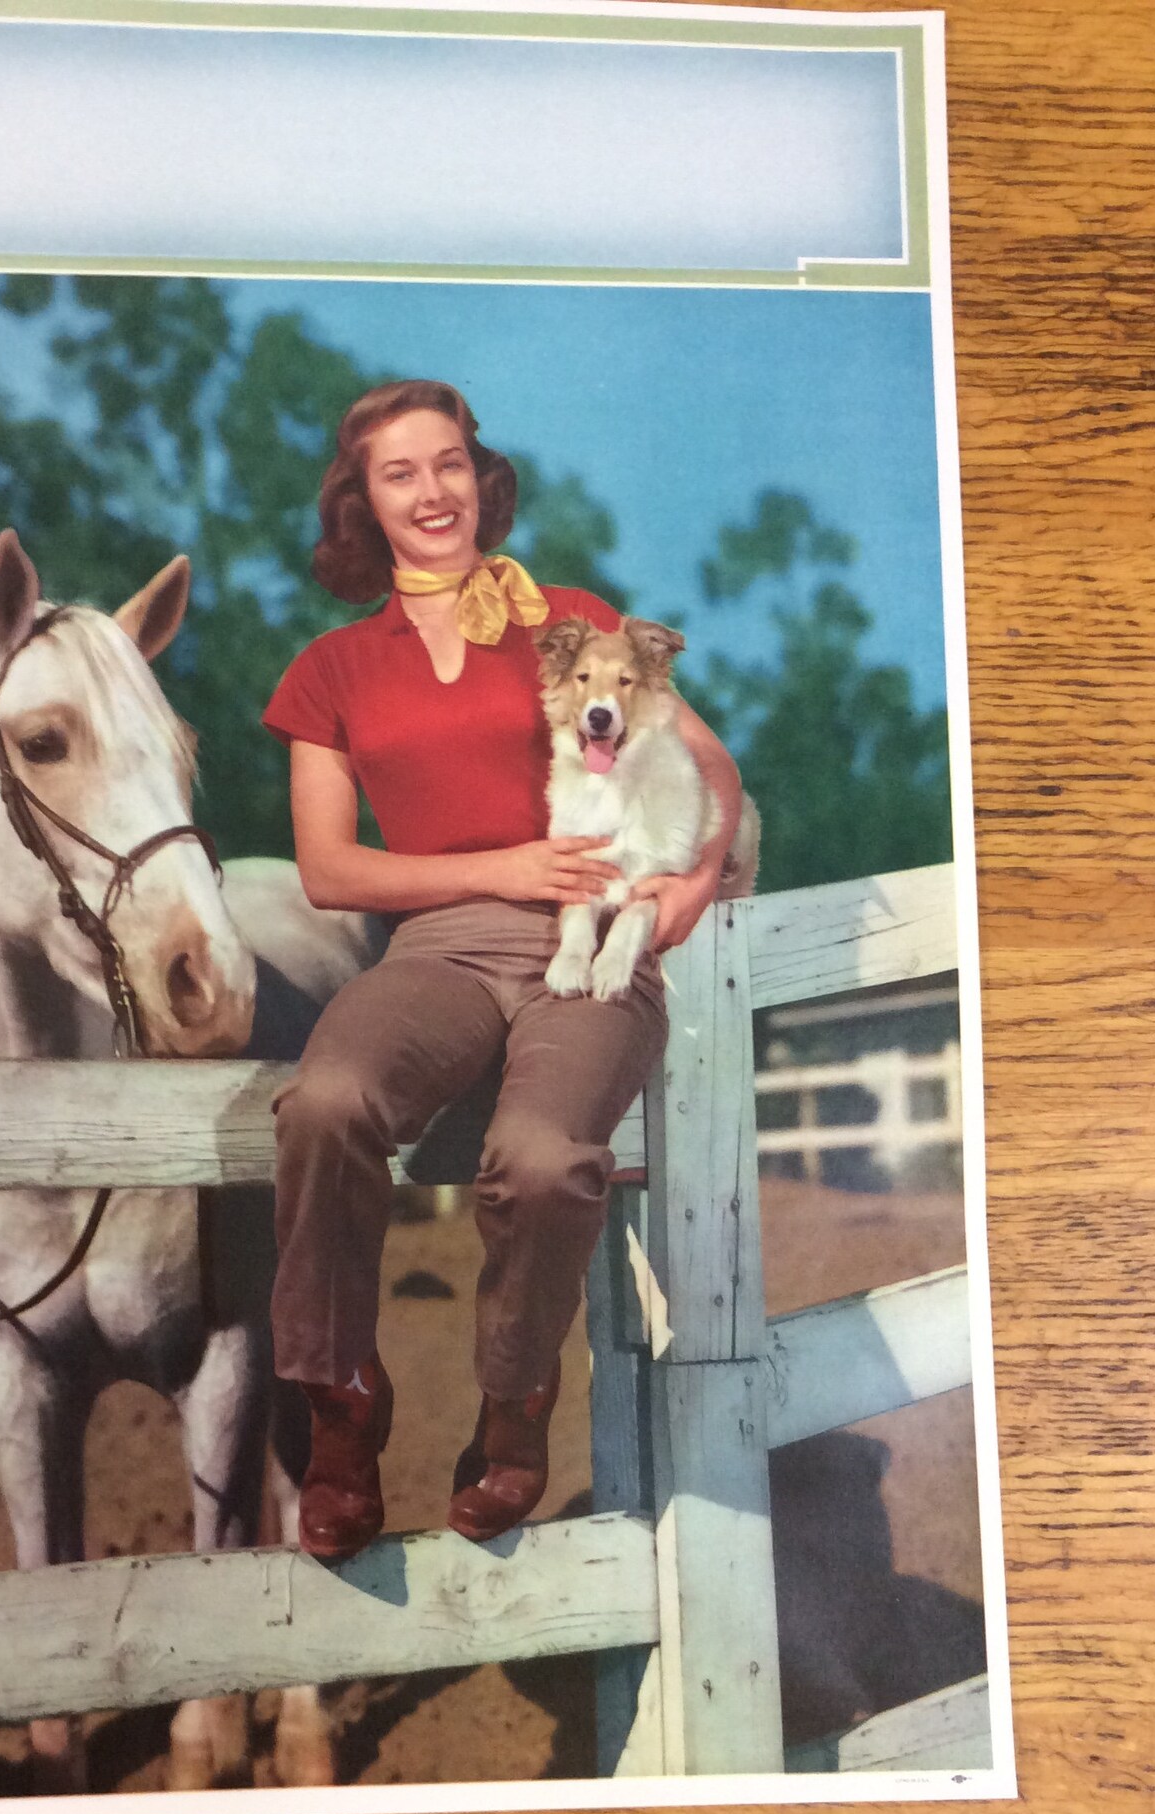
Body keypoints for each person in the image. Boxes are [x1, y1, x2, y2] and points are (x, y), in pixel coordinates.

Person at [262, 380, 743, 1560]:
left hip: (591, 937)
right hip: (440, 946)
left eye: (449, 464)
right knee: (323, 1102)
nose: (431, 492)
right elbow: (329, 871)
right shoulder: (331, 668)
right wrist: (501, 867)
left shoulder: (570, 617)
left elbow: (711, 773)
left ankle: (514, 1407)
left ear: (482, 476)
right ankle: (339, 1405)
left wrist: (686, 886)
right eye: (399, 473)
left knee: (540, 1159)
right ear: (361, 502)